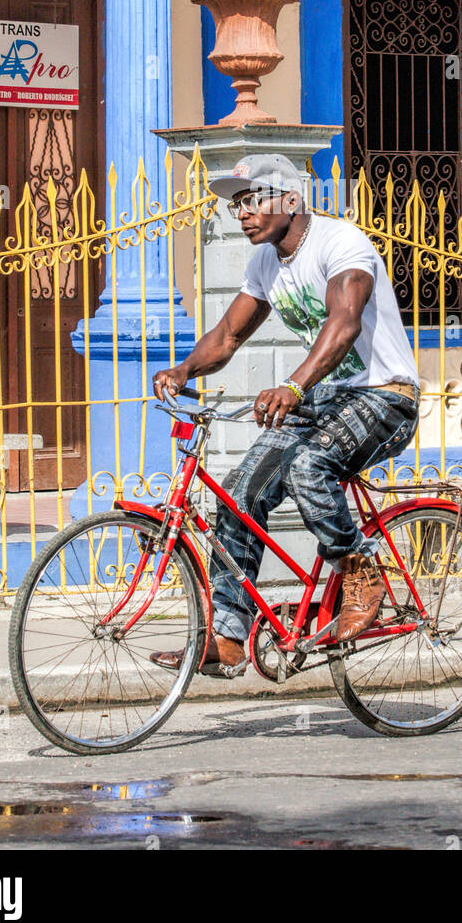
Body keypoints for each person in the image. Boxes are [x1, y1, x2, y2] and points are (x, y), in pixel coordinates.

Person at [151, 153, 420, 677]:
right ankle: (228, 637)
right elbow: (228, 337)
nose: (243, 213)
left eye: (253, 200)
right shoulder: (265, 264)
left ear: (292, 200)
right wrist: (183, 370)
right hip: (323, 400)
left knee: (308, 468)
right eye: (236, 204)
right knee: (239, 494)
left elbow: (343, 324)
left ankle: (362, 576)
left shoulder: (342, 244)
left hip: (384, 396)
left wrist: (294, 385)